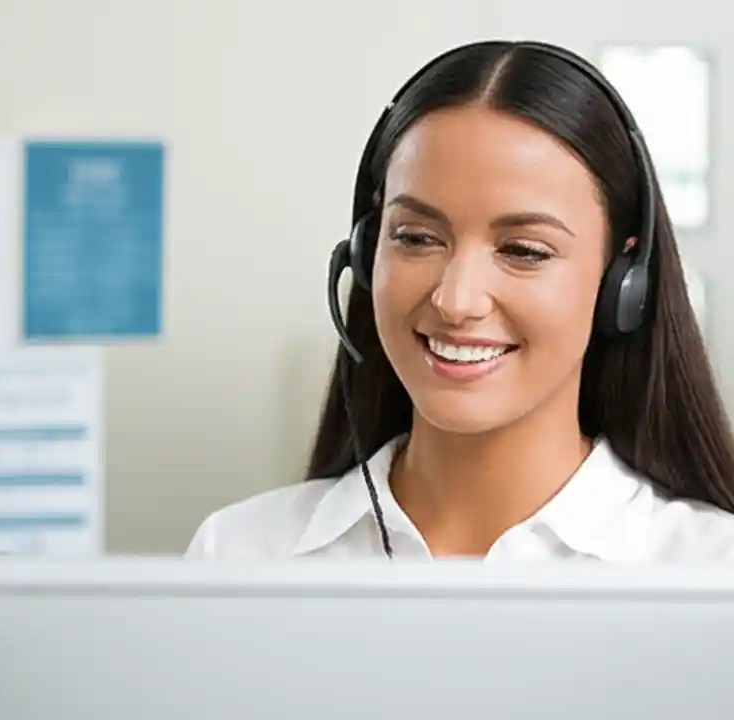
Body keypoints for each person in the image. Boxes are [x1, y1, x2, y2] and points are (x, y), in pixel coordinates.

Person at [187, 40, 734, 562]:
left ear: (623, 281)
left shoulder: (709, 567)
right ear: (366, 252)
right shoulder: (238, 553)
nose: (455, 300)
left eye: (523, 250)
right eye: (416, 238)